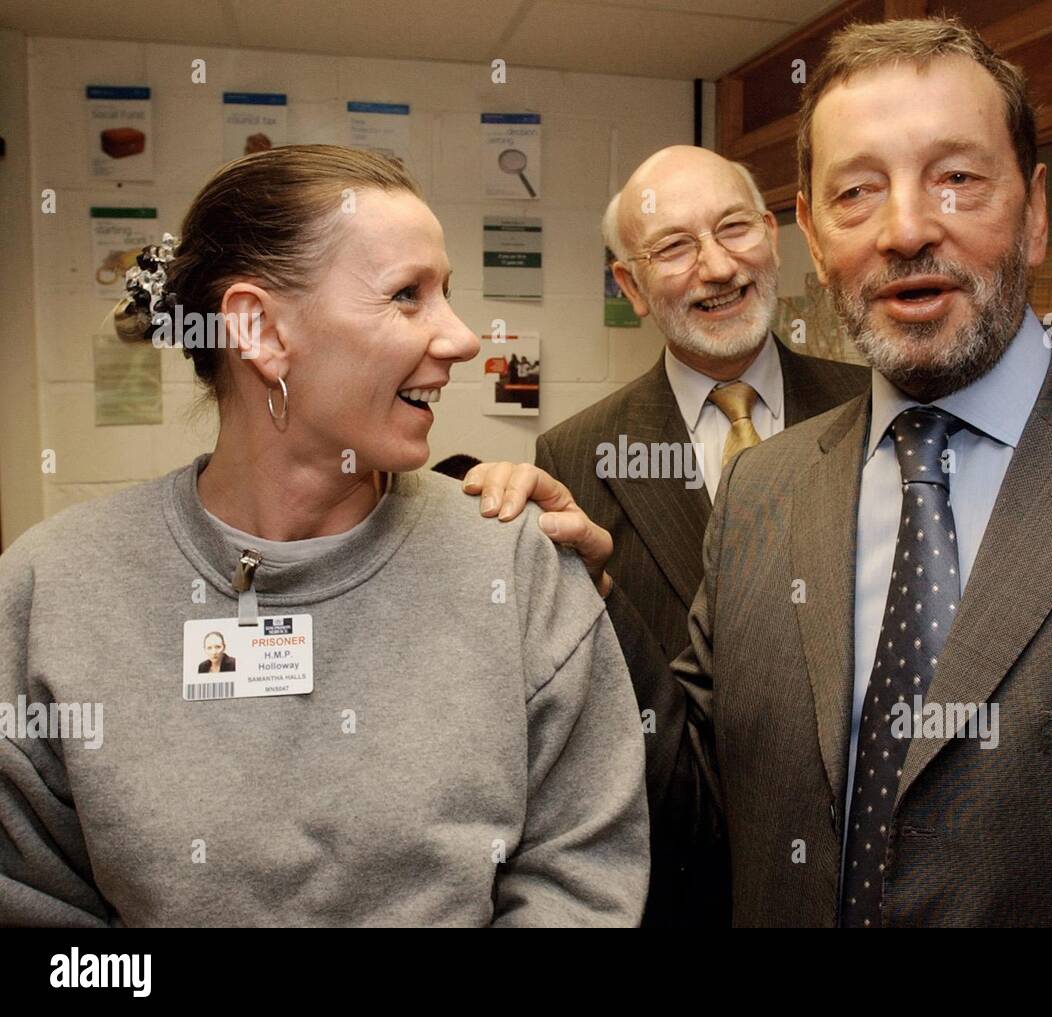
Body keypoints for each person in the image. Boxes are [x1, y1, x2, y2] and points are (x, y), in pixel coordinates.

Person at [468, 17, 1052, 927]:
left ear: (1035, 213)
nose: (907, 228)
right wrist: (593, 603)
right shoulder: (764, 492)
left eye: (957, 178)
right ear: (816, 241)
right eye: (857, 191)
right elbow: (704, 804)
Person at [0, 144, 648, 928]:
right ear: (260, 331)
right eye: (407, 295)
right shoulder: (56, 586)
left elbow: (581, 871)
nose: (463, 339)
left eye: (446, 293)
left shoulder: (514, 564)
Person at [469, 146, 869, 925]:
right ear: (632, 285)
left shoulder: (876, 408)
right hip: (681, 883)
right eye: (676, 247)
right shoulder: (578, 454)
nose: (717, 267)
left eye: (734, 229)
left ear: (773, 235)